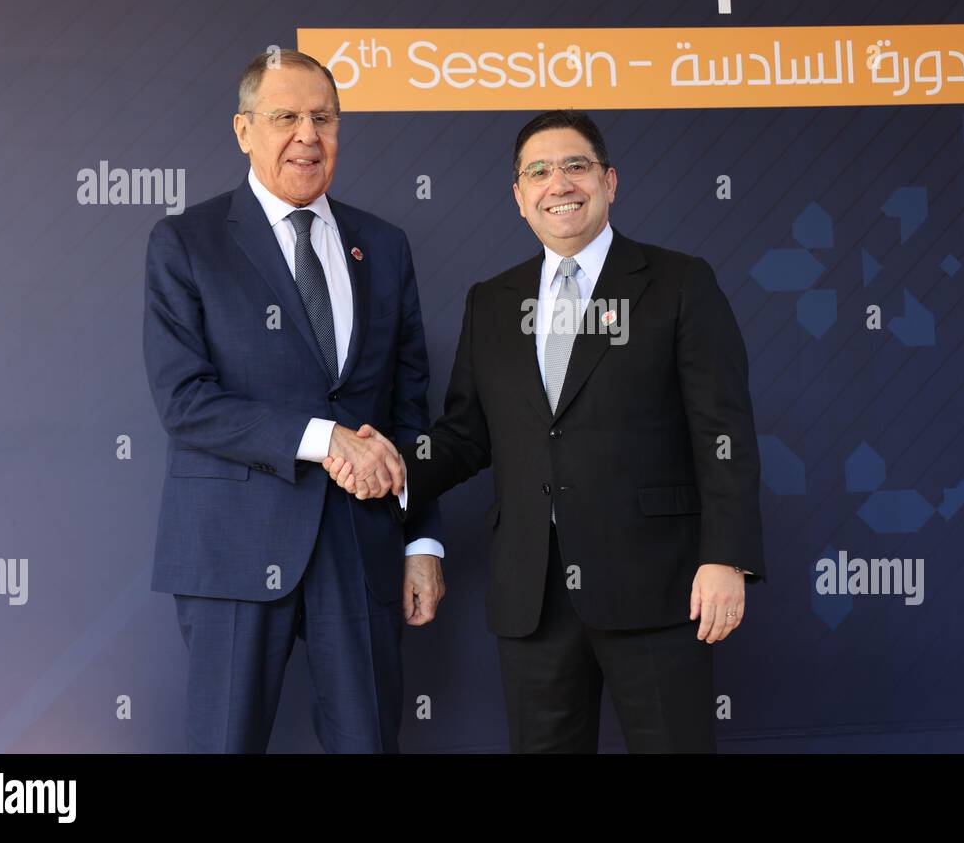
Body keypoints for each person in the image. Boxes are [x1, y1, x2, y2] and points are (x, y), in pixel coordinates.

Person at [326, 109, 763, 752]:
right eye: (539, 171)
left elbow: (724, 432)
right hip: (532, 595)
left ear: (609, 181)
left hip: (658, 585)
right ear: (520, 199)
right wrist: (389, 464)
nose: (558, 182)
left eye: (576, 166)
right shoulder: (493, 301)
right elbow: (465, 436)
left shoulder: (679, 283)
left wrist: (725, 558)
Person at [143, 49, 445, 753]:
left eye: (323, 117)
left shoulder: (386, 246)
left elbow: (409, 410)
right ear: (243, 130)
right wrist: (325, 438)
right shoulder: (185, 243)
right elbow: (185, 400)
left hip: (361, 547)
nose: (307, 135)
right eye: (285, 117)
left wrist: (423, 538)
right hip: (234, 544)